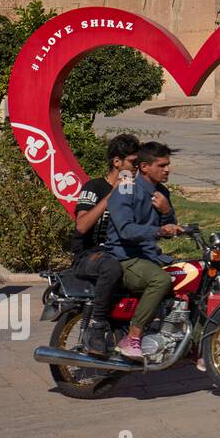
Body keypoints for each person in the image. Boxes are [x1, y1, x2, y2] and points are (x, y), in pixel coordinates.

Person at [103, 141, 180, 360]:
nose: (167, 169)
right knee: (160, 281)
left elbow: (170, 224)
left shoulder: (161, 191)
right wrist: (159, 231)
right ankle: (133, 338)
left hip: (150, 256)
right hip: (125, 258)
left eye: (168, 164)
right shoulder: (127, 189)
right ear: (144, 167)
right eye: (162, 165)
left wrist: (166, 212)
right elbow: (126, 230)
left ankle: (193, 344)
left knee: (193, 276)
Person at [69, 133, 140, 357]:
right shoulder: (94, 187)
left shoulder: (133, 189)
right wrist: (111, 197)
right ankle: (97, 327)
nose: (137, 168)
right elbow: (81, 226)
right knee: (111, 267)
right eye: (132, 162)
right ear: (117, 162)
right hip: (90, 255)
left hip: (119, 252)